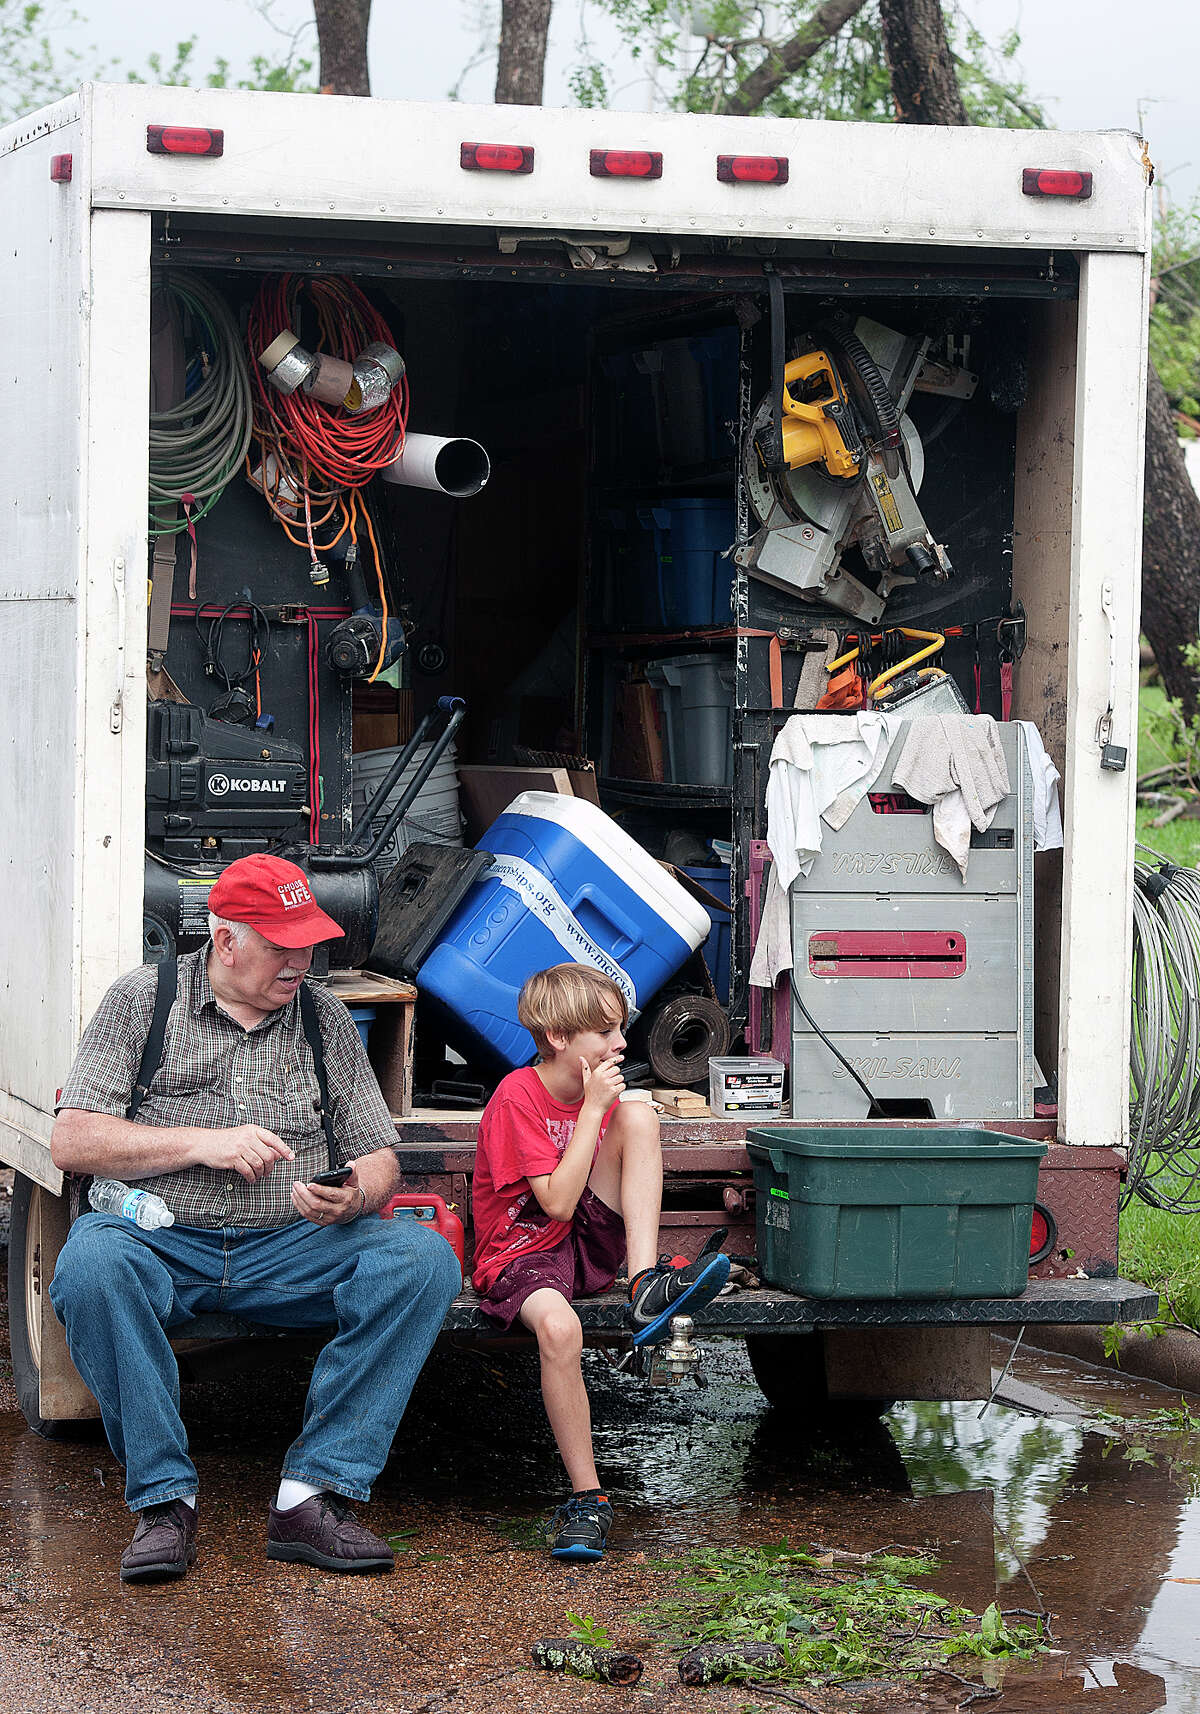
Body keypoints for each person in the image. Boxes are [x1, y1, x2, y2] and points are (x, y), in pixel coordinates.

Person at [48, 853, 462, 1586]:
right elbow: (73, 1140)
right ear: (226, 938)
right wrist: (202, 1144)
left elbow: (379, 1156)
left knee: (421, 1260)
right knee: (91, 1264)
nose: (301, 959)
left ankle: (312, 1495)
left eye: (308, 941)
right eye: (282, 943)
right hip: (161, 1239)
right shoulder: (141, 1001)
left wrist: (354, 1195)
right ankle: (164, 1503)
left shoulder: (324, 1015)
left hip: (293, 1245)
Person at [471, 962, 731, 1563]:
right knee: (562, 1329)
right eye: (606, 1033)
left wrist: (606, 1112)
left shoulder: (601, 1095)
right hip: (521, 1251)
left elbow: (584, 1197)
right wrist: (590, 1112)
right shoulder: (518, 1095)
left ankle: (644, 1283)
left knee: (640, 1114)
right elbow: (555, 1203)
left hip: (581, 1245)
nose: (621, 1044)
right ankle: (589, 1498)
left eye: (620, 1030)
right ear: (560, 1039)